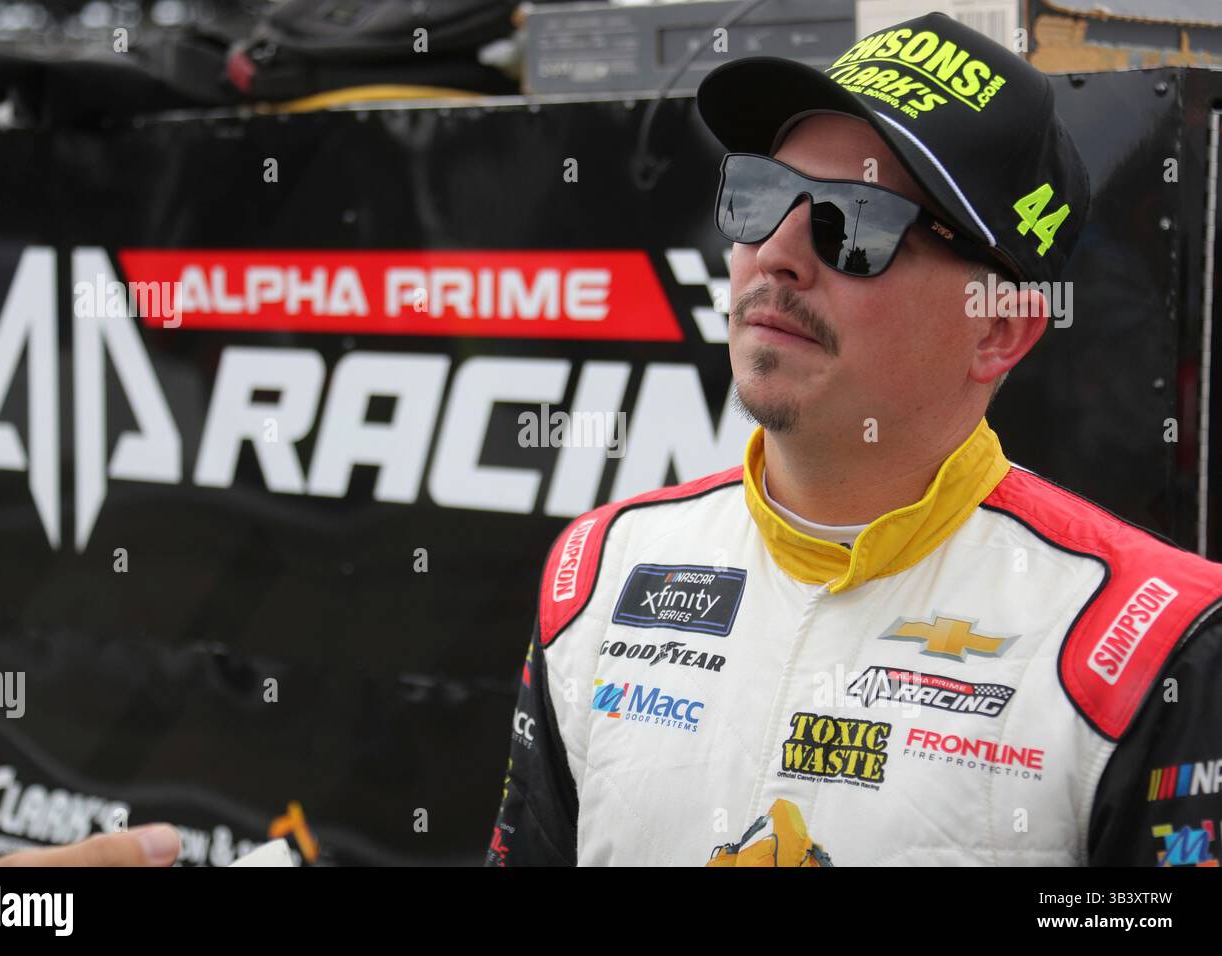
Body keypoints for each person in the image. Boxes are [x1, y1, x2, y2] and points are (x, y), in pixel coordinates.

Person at [484, 12, 1222, 867]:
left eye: (853, 224)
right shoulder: (599, 572)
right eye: (758, 196)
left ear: (998, 332)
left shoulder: (1156, 643)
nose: (777, 253)